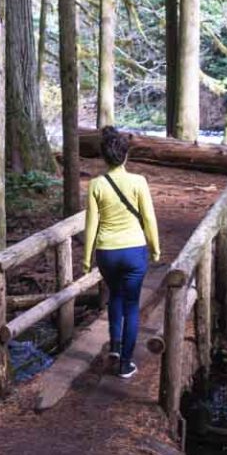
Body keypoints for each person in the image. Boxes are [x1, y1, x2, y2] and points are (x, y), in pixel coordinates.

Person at [82, 126, 161, 379]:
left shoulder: (96, 184)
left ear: (104, 157)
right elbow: (148, 218)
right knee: (131, 305)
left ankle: (115, 346)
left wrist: (86, 258)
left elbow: (91, 224)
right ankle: (125, 364)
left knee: (114, 295)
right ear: (125, 155)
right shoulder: (138, 182)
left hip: (107, 252)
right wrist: (155, 248)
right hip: (134, 251)